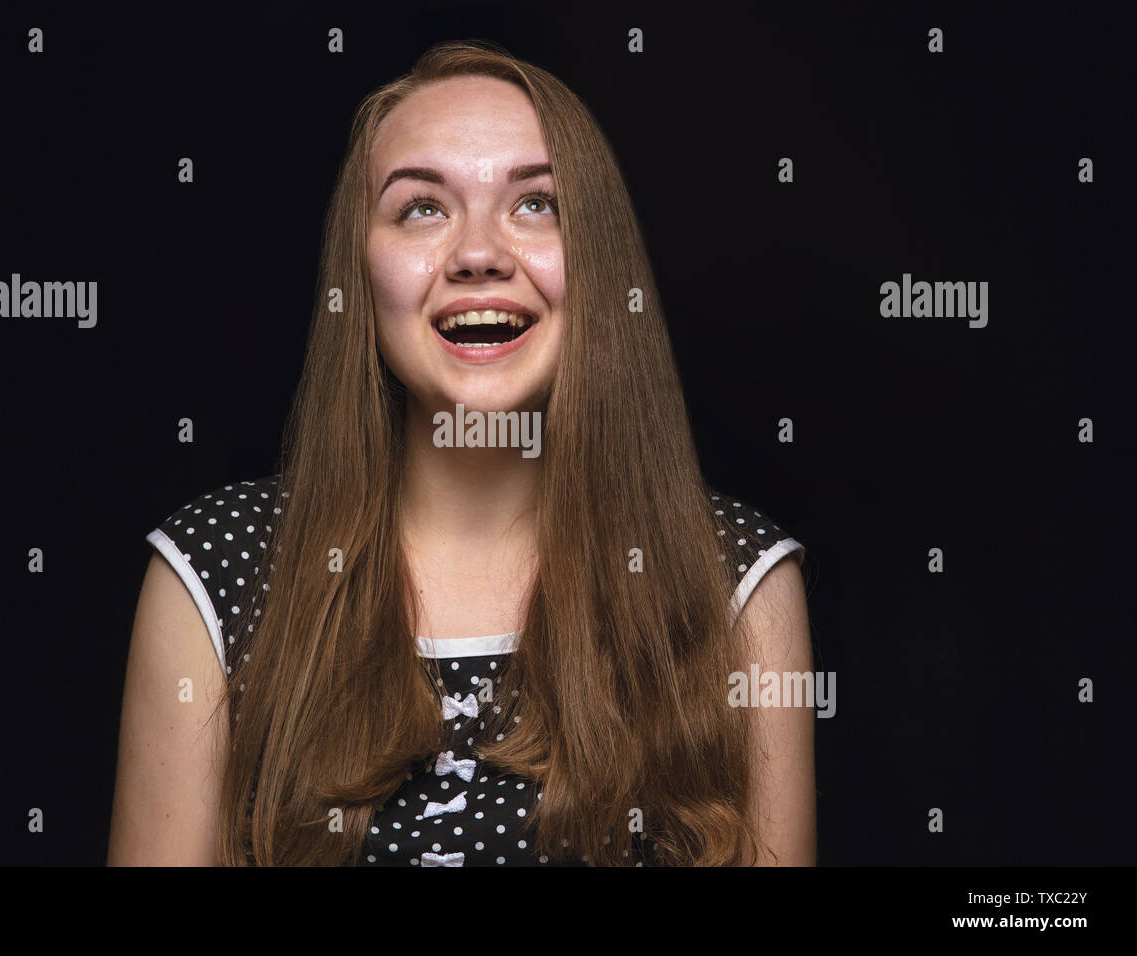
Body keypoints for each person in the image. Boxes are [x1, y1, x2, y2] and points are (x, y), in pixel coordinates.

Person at [107, 39, 815, 867]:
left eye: (536, 204)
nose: (479, 254)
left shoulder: (739, 583)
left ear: (600, 261)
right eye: (422, 208)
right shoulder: (214, 572)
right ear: (360, 273)